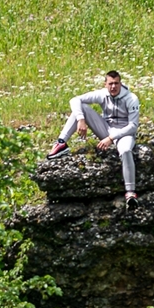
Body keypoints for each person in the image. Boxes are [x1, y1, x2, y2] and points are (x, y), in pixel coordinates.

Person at [47, 71, 140, 207]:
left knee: (126, 150)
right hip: (106, 128)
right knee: (81, 108)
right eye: (110, 84)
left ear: (120, 83)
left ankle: (130, 193)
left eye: (116, 83)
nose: (113, 87)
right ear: (105, 84)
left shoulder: (131, 98)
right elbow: (75, 99)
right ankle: (61, 143)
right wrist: (81, 119)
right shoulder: (103, 94)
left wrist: (111, 138)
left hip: (124, 133)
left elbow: (133, 126)